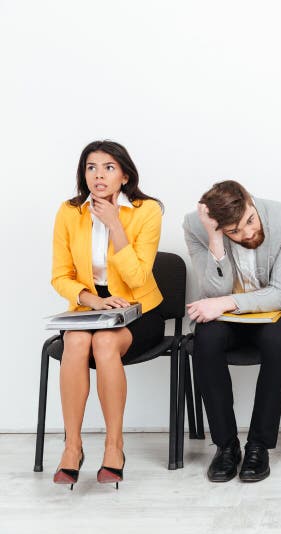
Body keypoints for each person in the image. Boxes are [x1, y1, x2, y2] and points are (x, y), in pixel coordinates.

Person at [183, 180, 281, 483]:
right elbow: (210, 289)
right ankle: (226, 446)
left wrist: (227, 302)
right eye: (234, 231)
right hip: (224, 315)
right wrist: (216, 241)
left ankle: (258, 445)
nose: (246, 233)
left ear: (250, 201)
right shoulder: (196, 227)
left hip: (277, 310)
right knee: (205, 339)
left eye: (249, 221)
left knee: (276, 341)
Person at [51, 140, 164, 488]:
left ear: (125, 175)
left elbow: (136, 278)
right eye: (91, 167)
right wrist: (90, 299)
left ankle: (115, 445)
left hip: (139, 309)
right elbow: (60, 276)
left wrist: (115, 224)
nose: (99, 175)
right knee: (75, 343)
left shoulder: (147, 211)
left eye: (109, 167)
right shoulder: (69, 212)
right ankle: (73, 447)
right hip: (90, 307)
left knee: (103, 344)